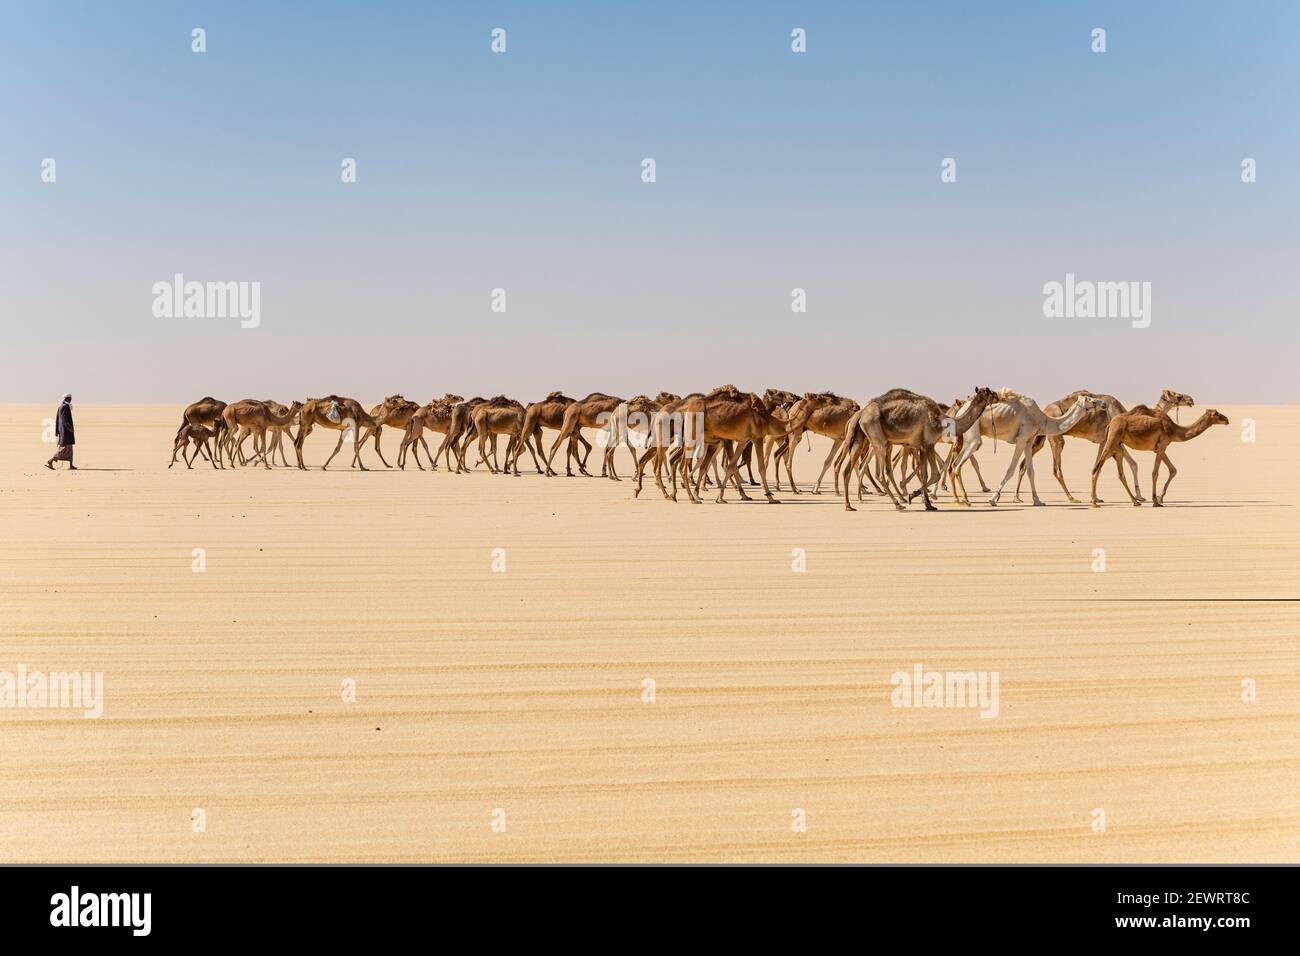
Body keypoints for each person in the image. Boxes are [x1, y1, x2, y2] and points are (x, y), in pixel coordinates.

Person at [46, 393, 76, 470]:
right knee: (63, 449)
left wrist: (56, 431)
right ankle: (50, 460)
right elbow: (64, 420)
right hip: (65, 432)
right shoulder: (64, 407)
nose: (70, 399)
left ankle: (71, 465)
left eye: (70, 398)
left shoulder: (61, 407)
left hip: (65, 432)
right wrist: (70, 428)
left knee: (70, 449)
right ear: (65, 399)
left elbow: (57, 420)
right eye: (69, 398)